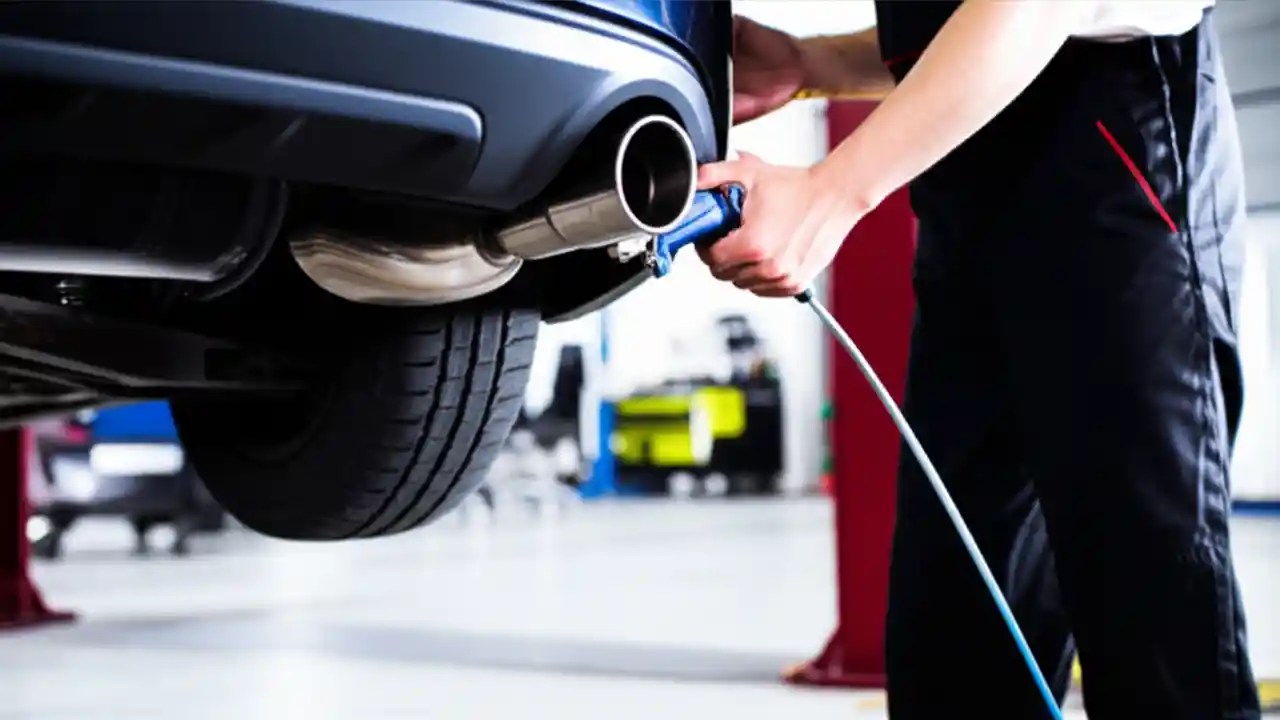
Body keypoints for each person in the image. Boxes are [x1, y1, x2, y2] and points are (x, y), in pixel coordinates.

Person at [697, 1, 1261, 718]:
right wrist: (813, 63)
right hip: (971, 215)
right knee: (954, 646)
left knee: (1154, 638)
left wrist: (828, 195)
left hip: (1119, 182)